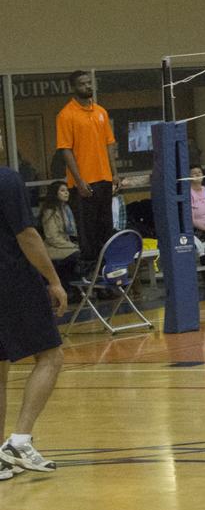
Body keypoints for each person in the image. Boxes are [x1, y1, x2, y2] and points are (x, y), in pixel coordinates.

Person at [0, 167, 68, 480]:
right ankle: (19, 441)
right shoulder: (6, 179)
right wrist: (53, 280)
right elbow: (26, 234)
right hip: (13, 282)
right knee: (51, 356)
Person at [56, 70, 120, 266]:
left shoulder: (101, 112)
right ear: (73, 88)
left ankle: (108, 274)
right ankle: (92, 277)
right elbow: (65, 150)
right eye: (83, 84)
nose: (88, 87)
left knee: (106, 229)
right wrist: (79, 180)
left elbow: (109, 144)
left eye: (89, 83)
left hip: (104, 179)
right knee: (88, 233)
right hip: (83, 184)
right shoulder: (66, 115)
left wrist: (114, 174)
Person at [38, 181, 81, 286]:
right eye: (62, 191)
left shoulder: (66, 209)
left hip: (65, 244)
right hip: (53, 247)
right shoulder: (49, 211)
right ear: (55, 193)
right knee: (78, 254)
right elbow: (52, 238)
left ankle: (78, 287)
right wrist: (73, 246)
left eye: (67, 190)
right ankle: (73, 287)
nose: (67, 193)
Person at [189, 165, 205, 238]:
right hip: (200, 230)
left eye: (199, 172)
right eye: (194, 173)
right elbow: (192, 220)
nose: (197, 174)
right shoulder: (188, 193)